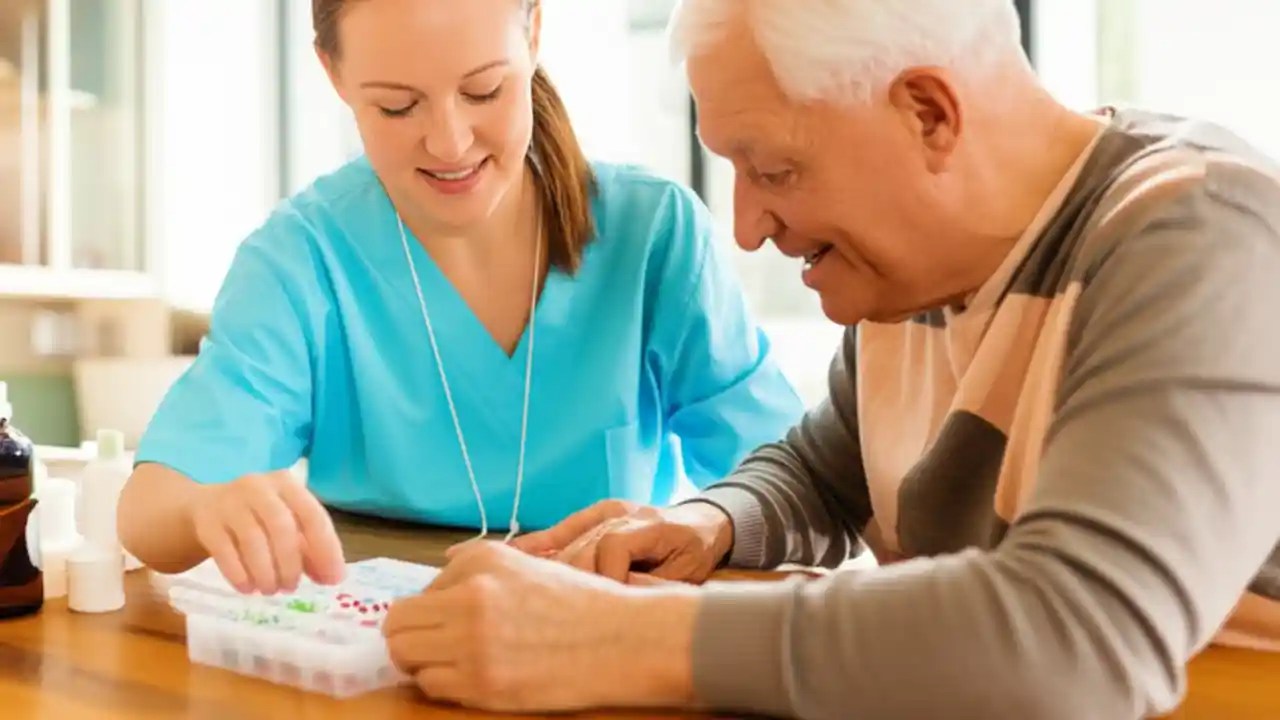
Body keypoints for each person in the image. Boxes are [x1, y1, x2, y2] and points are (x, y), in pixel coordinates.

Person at [375, 0, 1280, 718]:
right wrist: (707, 524)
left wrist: (616, 638)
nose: (745, 226)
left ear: (928, 113)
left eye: (772, 170)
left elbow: (1082, 636)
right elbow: (822, 473)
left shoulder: (1200, 237)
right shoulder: (911, 279)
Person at [116, 0, 804, 596]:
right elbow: (148, 510)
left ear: (533, 35)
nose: (449, 142)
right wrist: (207, 507)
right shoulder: (303, 258)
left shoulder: (653, 236)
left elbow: (799, 490)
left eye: (483, 91)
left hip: (601, 646)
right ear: (334, 75)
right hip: (364, 654)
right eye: (397, 105)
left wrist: (701, 521)